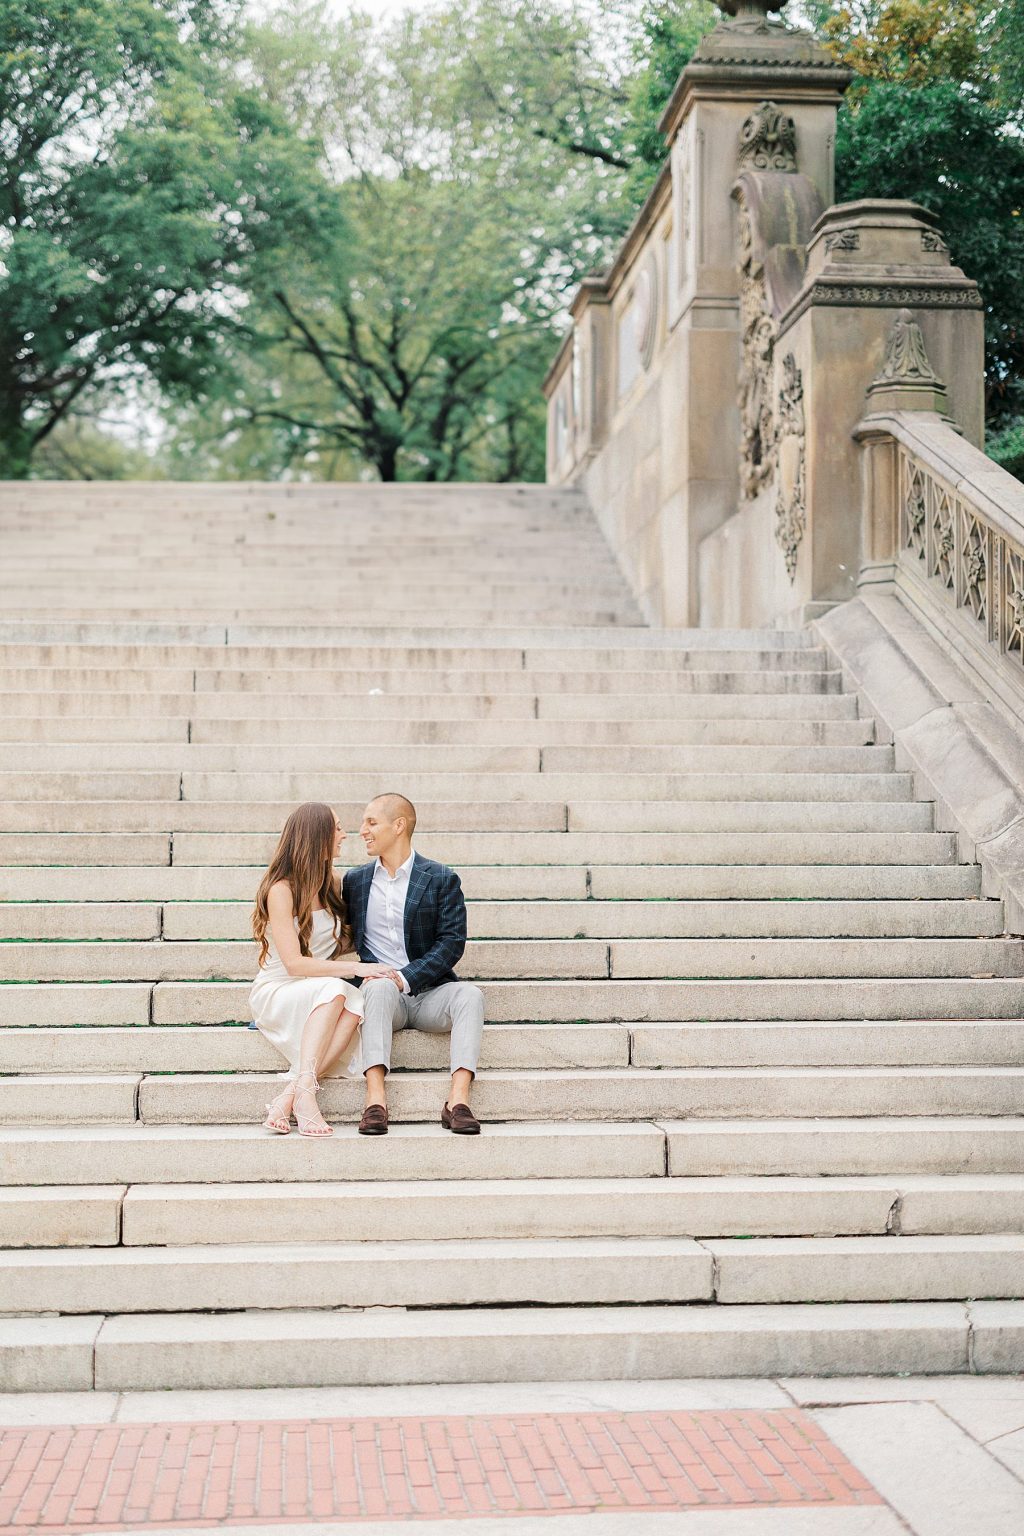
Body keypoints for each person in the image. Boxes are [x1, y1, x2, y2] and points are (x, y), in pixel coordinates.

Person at [250, 802, 401, 1137]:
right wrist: (359, 969)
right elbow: (294, 963)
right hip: (281, 987)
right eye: (336, 828)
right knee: (340, 988)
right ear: (315, 836)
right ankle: (303, 1093)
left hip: (320, 986)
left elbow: (338, 941)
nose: (345, 834)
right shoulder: (281, 889)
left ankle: (296, 1092)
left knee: (353, 999)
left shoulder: (331, 882)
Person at [343, 793, 484, 1136]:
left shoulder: (440, 878)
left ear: (399, 825)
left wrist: (405, 977)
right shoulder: (355, 881)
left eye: (371, 822)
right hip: (383, 999)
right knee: (376, 985)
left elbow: (452, 943)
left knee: (471, 995)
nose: (362, 830)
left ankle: (458, 1101)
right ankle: (375, 1099)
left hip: (430, 991)